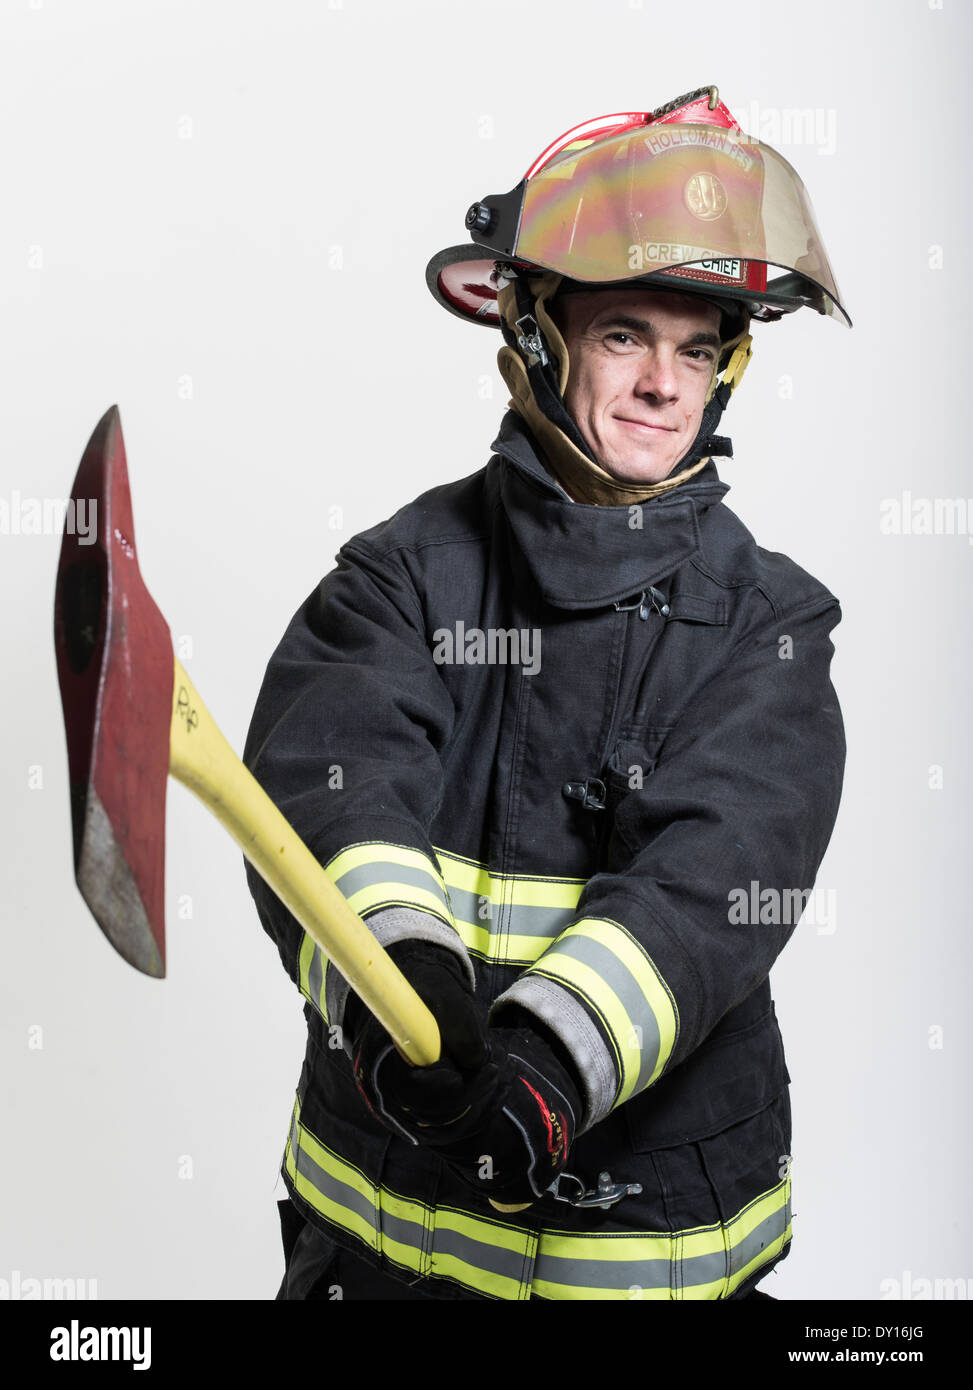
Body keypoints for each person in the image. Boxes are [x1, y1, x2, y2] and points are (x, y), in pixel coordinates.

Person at [242, 85, 850, 1301]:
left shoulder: (768, 627)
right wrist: (393, 985)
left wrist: (548, 1057)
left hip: (638, 1267)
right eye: (625, 334)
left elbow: (716, 880)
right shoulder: (400, 580)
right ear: (535, 335)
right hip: (377, 1247)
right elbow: (330, 791)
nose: (662, 388)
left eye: (695, 348)